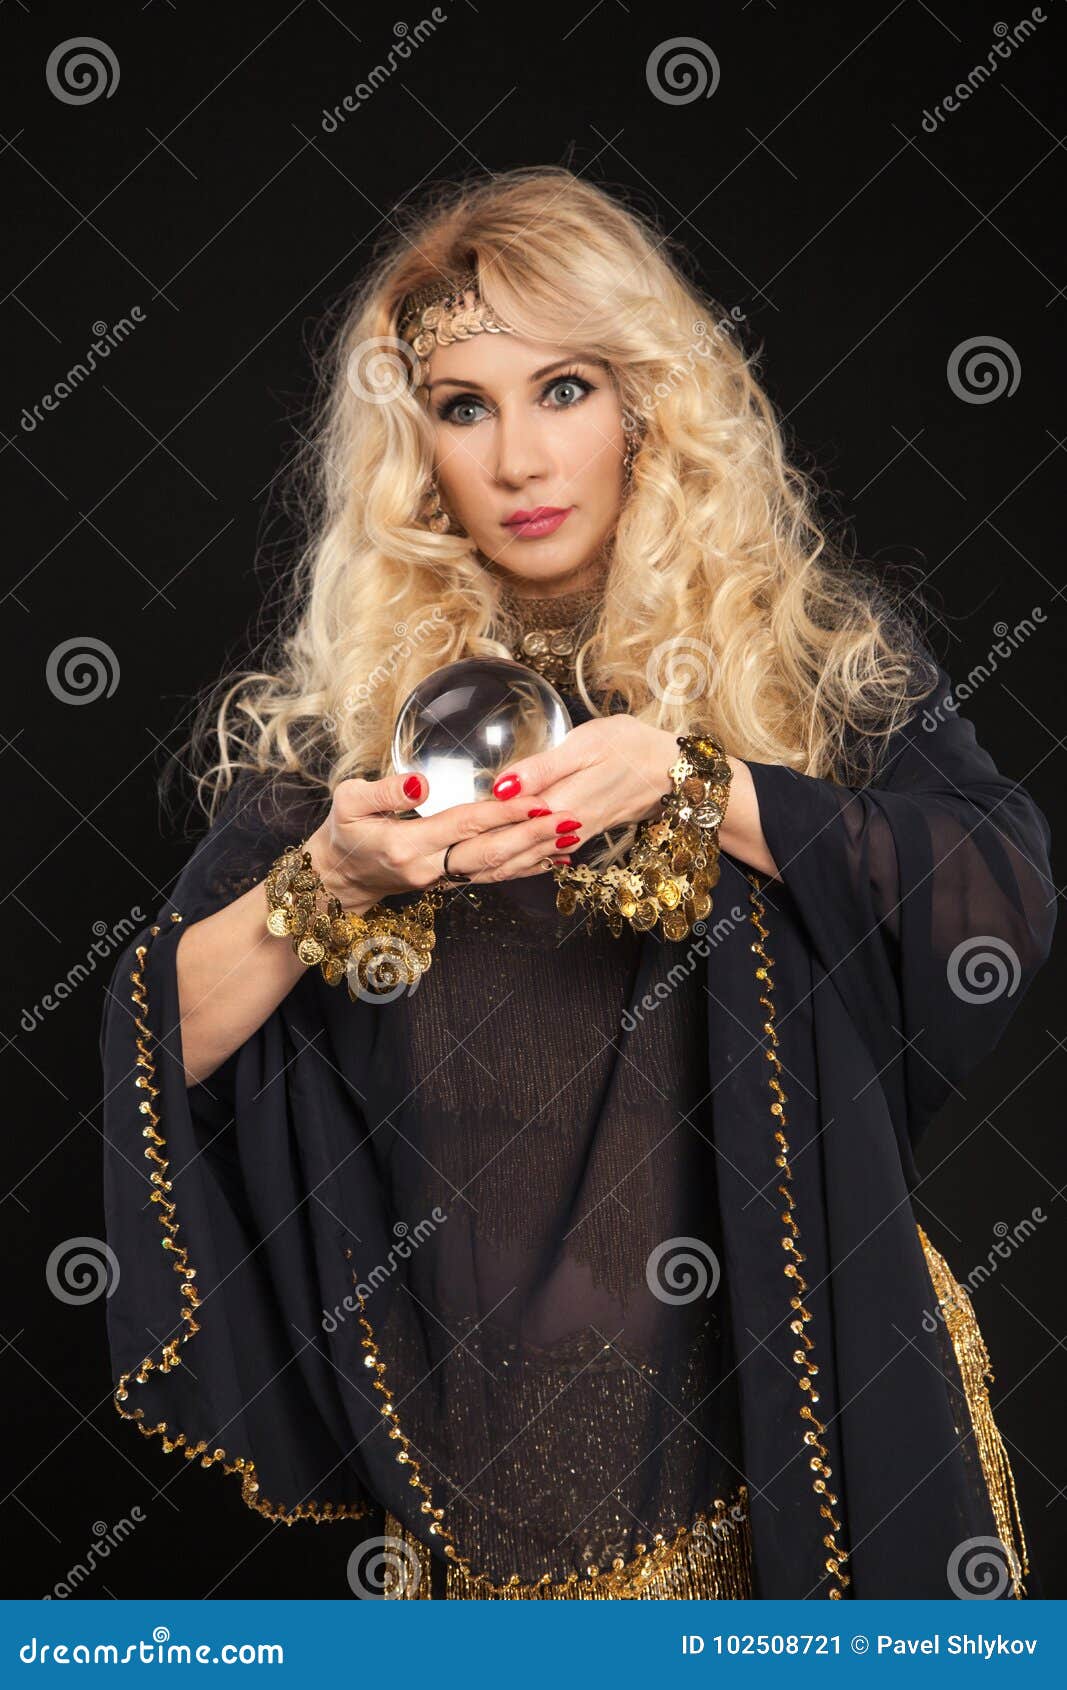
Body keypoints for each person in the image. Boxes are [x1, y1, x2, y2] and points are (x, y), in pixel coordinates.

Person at [100, 167, 1054, 1601]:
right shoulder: (351, 728)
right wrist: (328, 880)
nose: (522, 461)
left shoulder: (801, 658)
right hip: (488, 1508)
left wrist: (703, 784)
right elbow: (153, 1038)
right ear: (413, 445)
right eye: (464, 406)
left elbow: (994, 899)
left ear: (646, 404)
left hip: (798, 1445)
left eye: (565, 390)